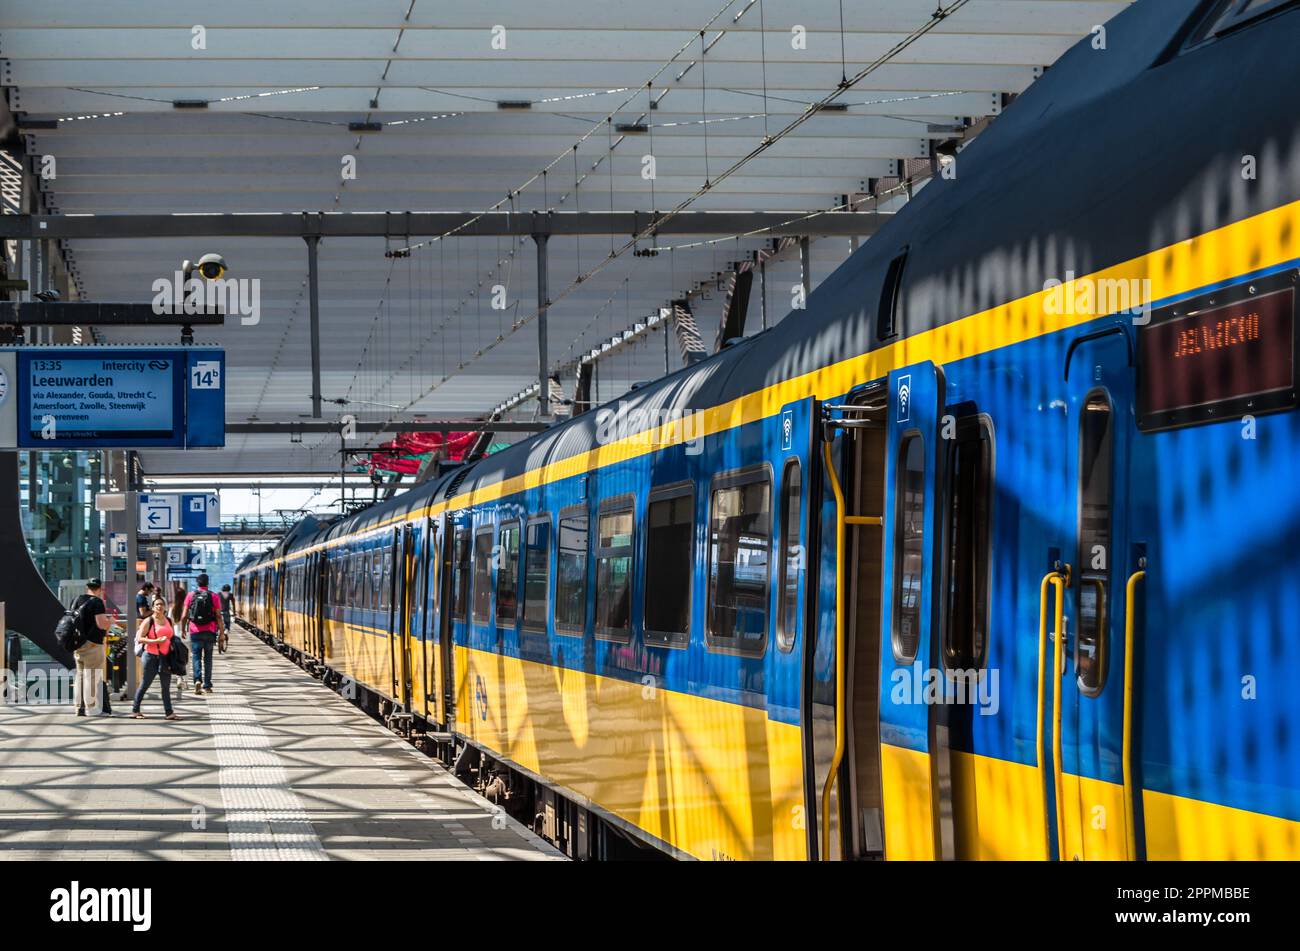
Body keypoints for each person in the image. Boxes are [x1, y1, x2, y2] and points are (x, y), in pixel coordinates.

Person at [72, 579, 116, 717]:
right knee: (91, 676)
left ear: (87, 587)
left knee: (80, 676)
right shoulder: (97, 602)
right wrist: (111, 621)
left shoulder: (76, 600)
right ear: (100, 589)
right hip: (93, 644)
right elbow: (101, 624)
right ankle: (91, 708)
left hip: (77, 644)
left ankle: (79, 707)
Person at [132, 596, 180, 720]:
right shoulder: (149, 621)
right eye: (157, 604)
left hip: (165, 657)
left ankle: (169, 713)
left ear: (164, 607)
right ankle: (135, 710)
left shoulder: (169, 620)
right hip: (150, 657)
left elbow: (172, 637)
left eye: (161, 604)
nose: (159, 606)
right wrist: (156, 641)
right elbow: (140, 638)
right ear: (153, 607)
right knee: (145, 684)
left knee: (166, 686)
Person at [180, 573, 222, 695]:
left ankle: (197, 680)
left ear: (197, 583)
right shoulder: (214, 596)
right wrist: (222, 633)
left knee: (196, 657)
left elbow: (184, 616)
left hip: (195, 631)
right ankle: (207, 685)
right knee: (208, 659)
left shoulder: (190, 595)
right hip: (210, 631)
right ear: (207, 583)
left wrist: (183, 629)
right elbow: (218, 616)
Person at [219, 584, 233, 653]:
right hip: (226, 613)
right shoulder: (230, 595)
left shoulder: (218, 594)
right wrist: (234, 612)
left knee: (217, 625)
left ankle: (216, 634)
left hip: (219, 613)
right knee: (227, 625)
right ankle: (225, 632)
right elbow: (233, 603)